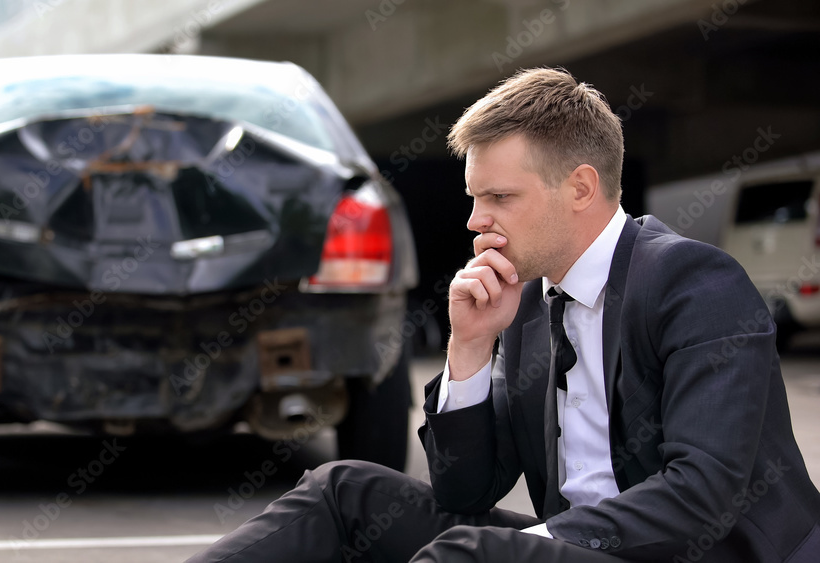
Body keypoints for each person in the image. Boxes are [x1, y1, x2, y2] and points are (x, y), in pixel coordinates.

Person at [187, 67, 820, 562]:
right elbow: (466, 493)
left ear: (579, 188)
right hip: (571, 548)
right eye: (474, 197)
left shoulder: (695, 284)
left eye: (499, 197)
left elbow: (703, 494)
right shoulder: (526, 303)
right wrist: (467, 351)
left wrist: (538, 542)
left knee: (472, 555)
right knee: (342, 490)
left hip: (704, 556)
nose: (473, 221)